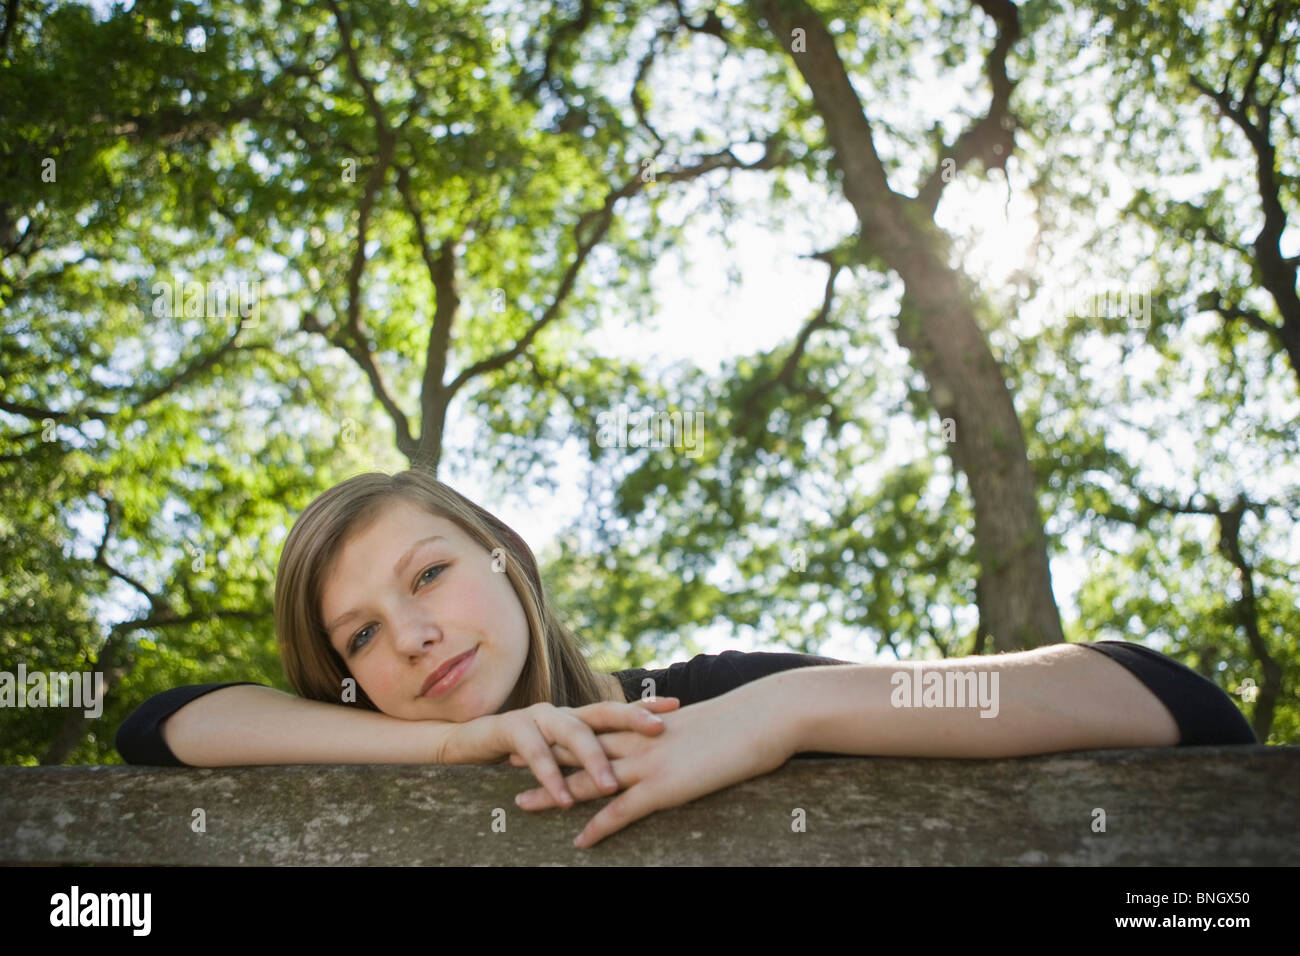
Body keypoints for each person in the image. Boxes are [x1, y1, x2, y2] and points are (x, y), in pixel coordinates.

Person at [115, 470, 1258, 849]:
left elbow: (1172, 701)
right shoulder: (351, 766)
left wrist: (782, 710)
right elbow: (163, 722)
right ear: (346, 680)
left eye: (427, 574)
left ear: (507, 560)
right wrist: (459, 740)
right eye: (359, 633)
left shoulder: (705, 695)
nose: (409, 633)